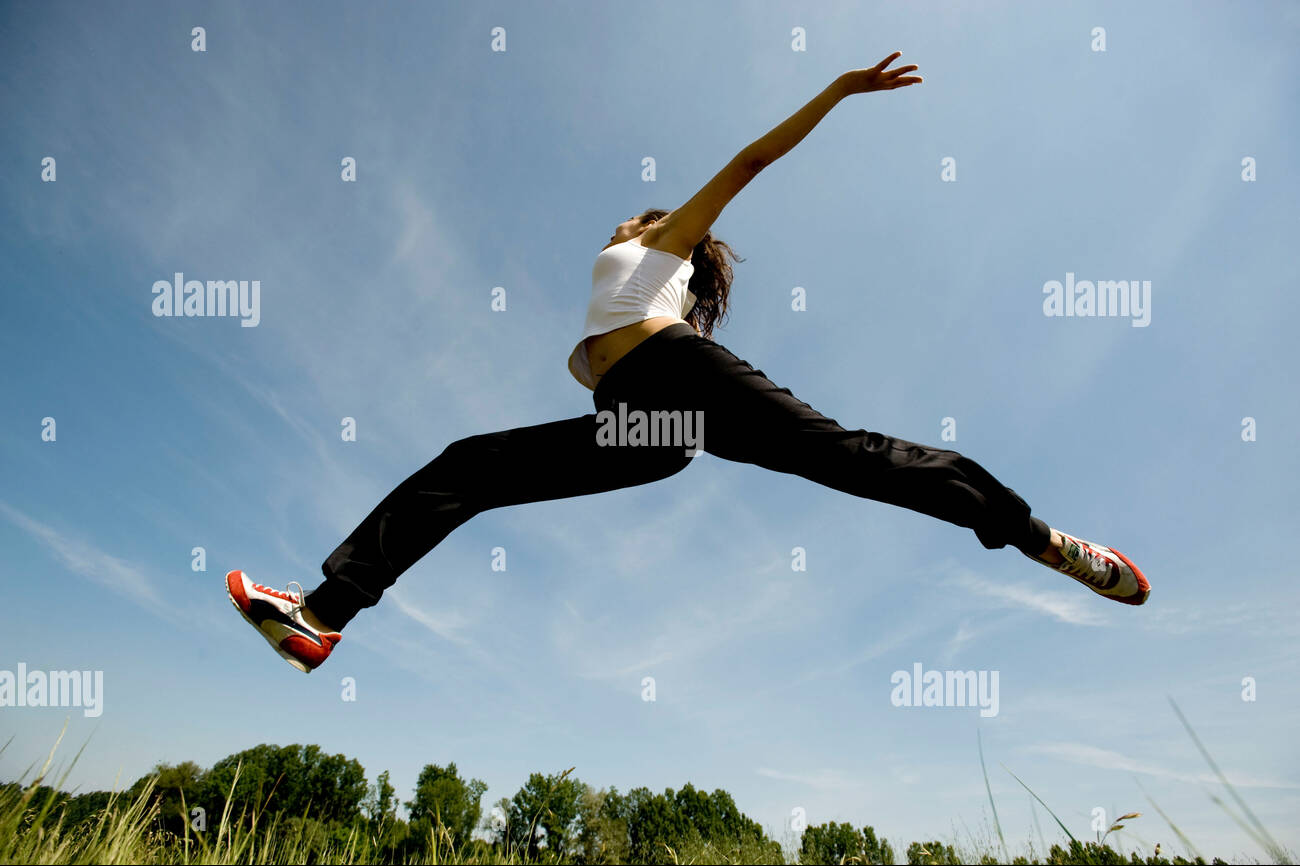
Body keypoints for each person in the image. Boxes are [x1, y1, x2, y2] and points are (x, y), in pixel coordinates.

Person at [226, 52, 1149, 674]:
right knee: (475, 464)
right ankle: (323, 614)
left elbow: (748, 160)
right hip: (650, 427)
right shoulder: (616, 307)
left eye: (637, 217)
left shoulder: (663, 244)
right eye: (634, 220)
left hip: (687, 379)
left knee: (851, 459)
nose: (624, 221)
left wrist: (835, 91)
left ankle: (1043, 539)